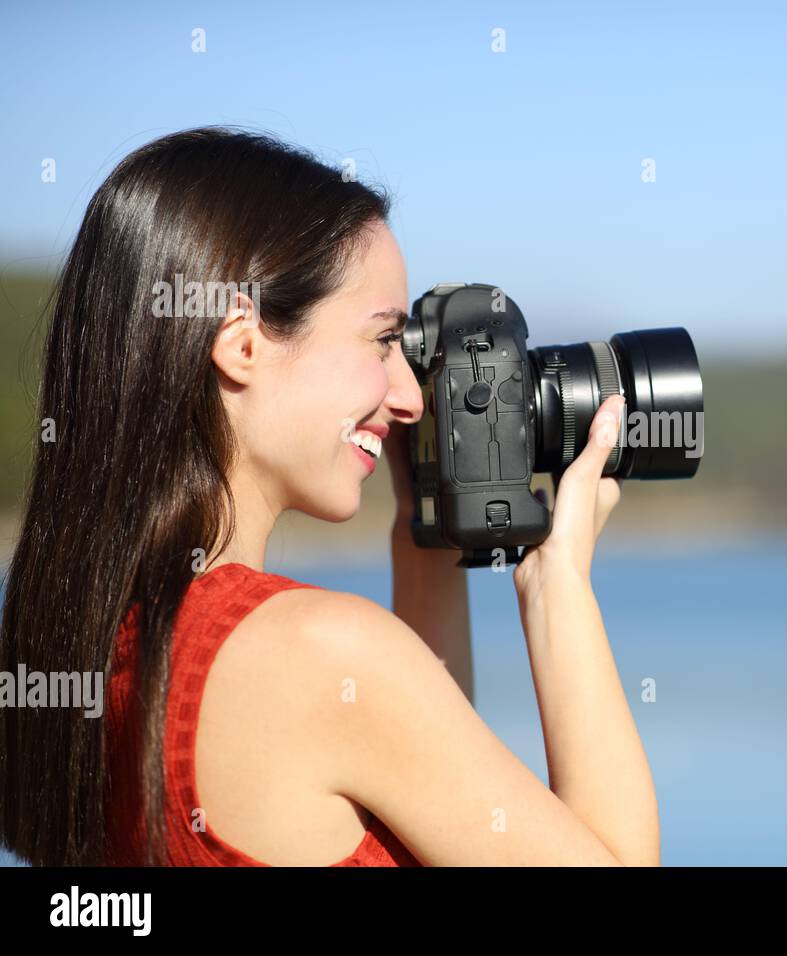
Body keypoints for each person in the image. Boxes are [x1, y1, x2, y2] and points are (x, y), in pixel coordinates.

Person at [0, 127, 659, 867]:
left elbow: (420, 783)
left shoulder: (94, 646)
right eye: (383, 342)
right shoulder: (317, 652)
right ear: (242, 344)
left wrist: (428, 536)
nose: (409, 398)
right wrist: (558, 583)